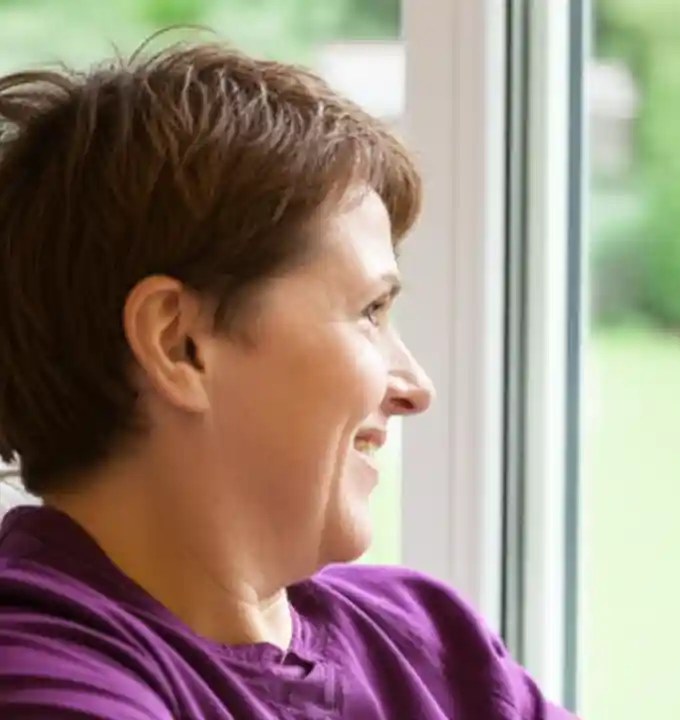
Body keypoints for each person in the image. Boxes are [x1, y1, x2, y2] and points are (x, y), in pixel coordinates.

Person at [0, 42, 575, 719]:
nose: (416, 387)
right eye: (370, 311)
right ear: (178, 343)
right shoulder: (38, 676)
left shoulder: (436, 644)